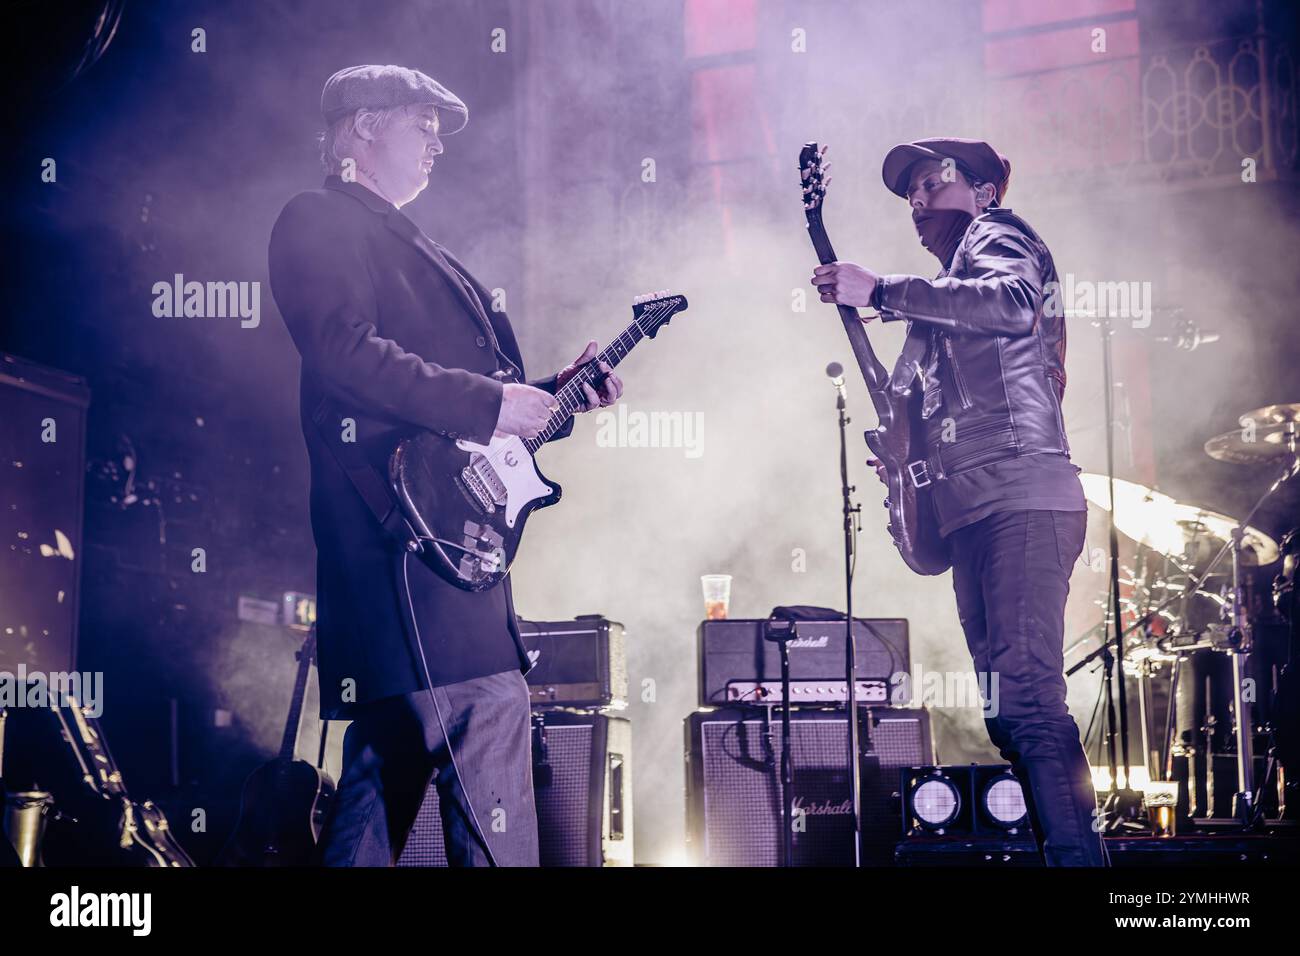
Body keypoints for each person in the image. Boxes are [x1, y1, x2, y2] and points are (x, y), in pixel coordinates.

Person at [267, 64, 622, 866]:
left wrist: (548, 399)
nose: (437, 143)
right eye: (421, 123)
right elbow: (344, 351)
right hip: (405, 555)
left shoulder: (415, 244)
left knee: (379, 771)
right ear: (362, 127)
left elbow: (466, 418)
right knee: (488, 712)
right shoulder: (317, 219)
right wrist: (494, 402)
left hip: (441, 559)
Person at [809, 137, 1107, 866]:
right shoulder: (938, 313)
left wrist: (880, 288)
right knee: (1009, 716)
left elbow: (1009, 304)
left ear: (984, 191)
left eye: (931, 180)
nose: (917, 198)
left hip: (1022, 496)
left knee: (1031, 702)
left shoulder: (998, 236)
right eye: (908, 190)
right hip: (975, 512)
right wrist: (902, 456)